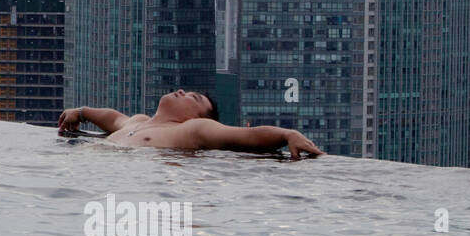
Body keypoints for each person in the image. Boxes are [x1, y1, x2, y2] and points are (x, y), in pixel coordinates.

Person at [58, 89, 324, 159]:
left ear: (197, 117)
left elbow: (246, 136)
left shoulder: (191, 130)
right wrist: (80, 112)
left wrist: (287, 134)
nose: (182, 91)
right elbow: (113, 118)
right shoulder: (139, 122)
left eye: (193, 98)